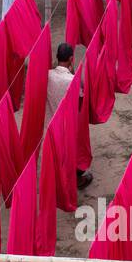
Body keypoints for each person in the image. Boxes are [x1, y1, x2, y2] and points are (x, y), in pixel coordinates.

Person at [47, 42, 92, 189]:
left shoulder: (48, 75)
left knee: (59, 153)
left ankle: (59, 178)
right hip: (68, 124)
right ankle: (74, 181)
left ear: (57, 57)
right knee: (72, 153)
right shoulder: (72, 80)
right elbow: (80, 102)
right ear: (71, 59)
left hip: (52, 122)